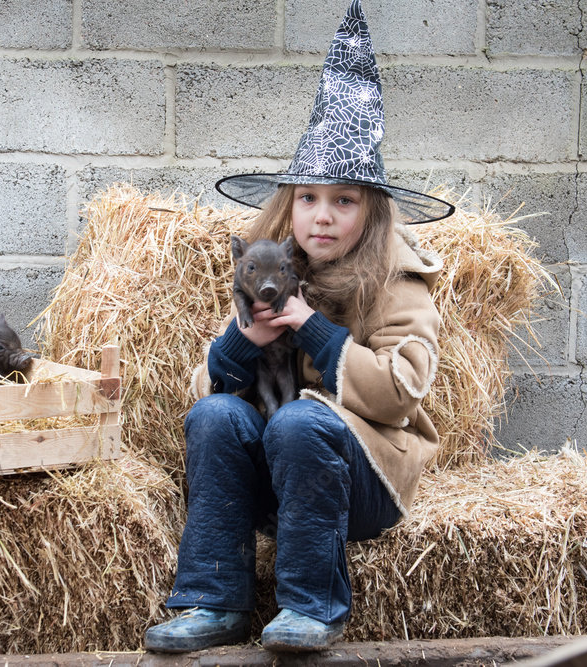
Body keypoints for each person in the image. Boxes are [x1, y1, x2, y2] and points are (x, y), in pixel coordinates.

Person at [145, 0, 455, 653]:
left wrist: (313, 327)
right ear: (289, 206)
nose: (322, 215)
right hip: (276, 482)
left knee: (298, 419)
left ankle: (311, 607)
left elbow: (401, 391)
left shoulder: (400, 282)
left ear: (369, 214)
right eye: (309, 198)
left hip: (360, 475)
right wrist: (242, 341)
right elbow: (199, 385)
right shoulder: (267, 269)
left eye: (343, 200)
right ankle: (212, 599)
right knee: (216, 418)